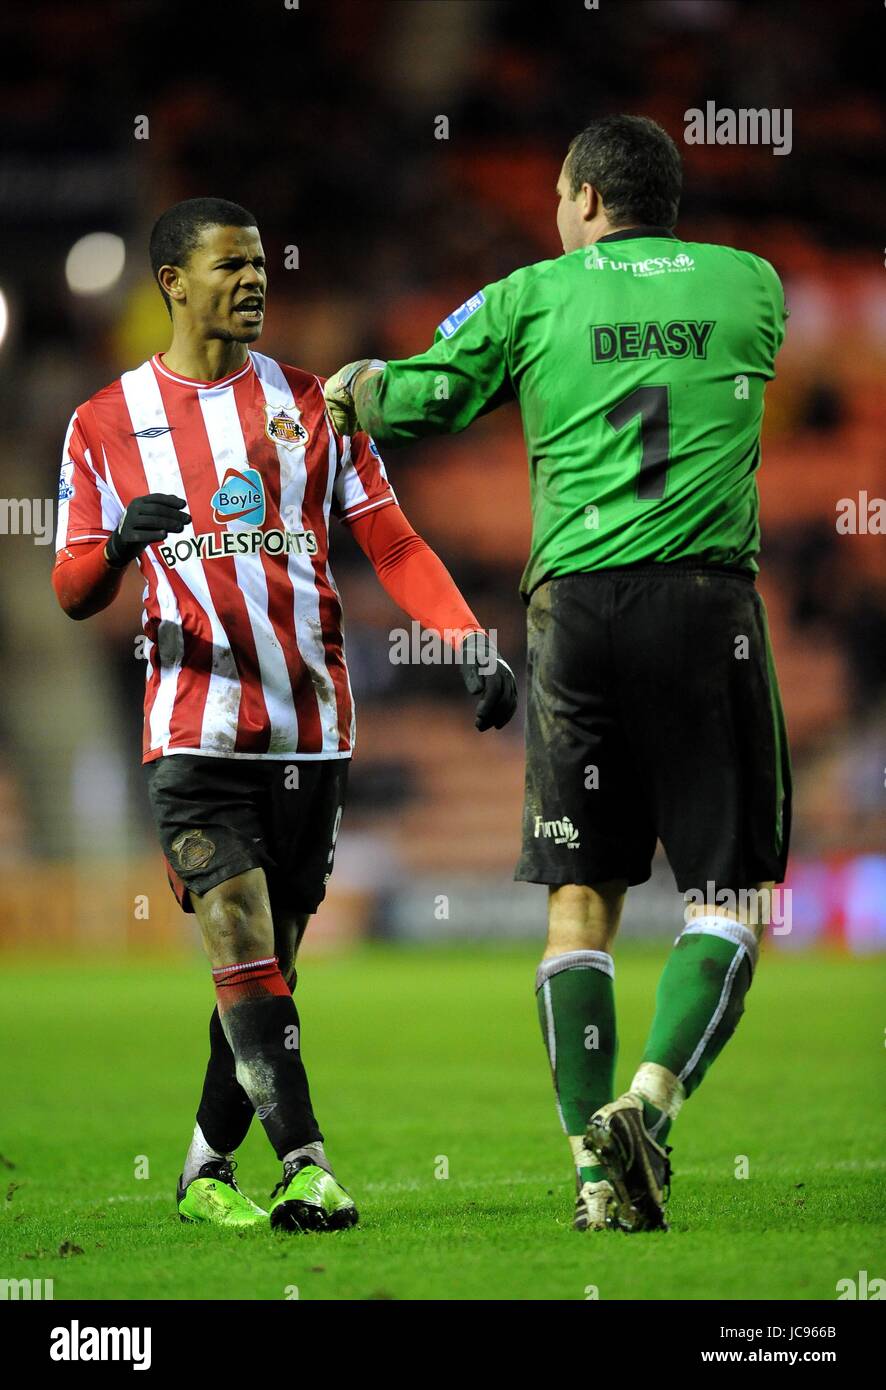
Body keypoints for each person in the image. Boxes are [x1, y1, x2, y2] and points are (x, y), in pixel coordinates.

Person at [324, 115, 790, 1234]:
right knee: (727, 897)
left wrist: (356, 387)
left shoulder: (535, 295)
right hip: (703, 603)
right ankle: (650, 1100)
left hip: (574, 615)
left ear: (583, 196)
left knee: (581, 903)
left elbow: (425, 395)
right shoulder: (756, 285)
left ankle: (595, 1174)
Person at [52, 197, 516, 1235]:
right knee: (237, 929)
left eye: (262, 264)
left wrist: (466, 640)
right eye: (232, 266)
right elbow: (72, 587)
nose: (257, 281)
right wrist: (120, 546)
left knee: (266, 968)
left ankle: (203, 1169)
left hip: (312, 729)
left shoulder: (313, 405)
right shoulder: (103, 423)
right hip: (193, 728)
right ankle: (307, 1164)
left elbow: (393, 542)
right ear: (173, 281)